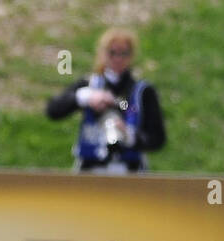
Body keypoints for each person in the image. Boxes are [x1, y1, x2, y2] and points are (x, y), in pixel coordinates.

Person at [46, 27, 165, 173]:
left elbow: (157, 138)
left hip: (129, 171)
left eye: (124, 53)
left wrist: (129, 136)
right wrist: (84, 97)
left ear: (131, 56)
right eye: (112, 53)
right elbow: (53, 110)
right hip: (92, 169)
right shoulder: (89, 85)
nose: (118, 59)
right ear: (102, 54)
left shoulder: (143, 92)